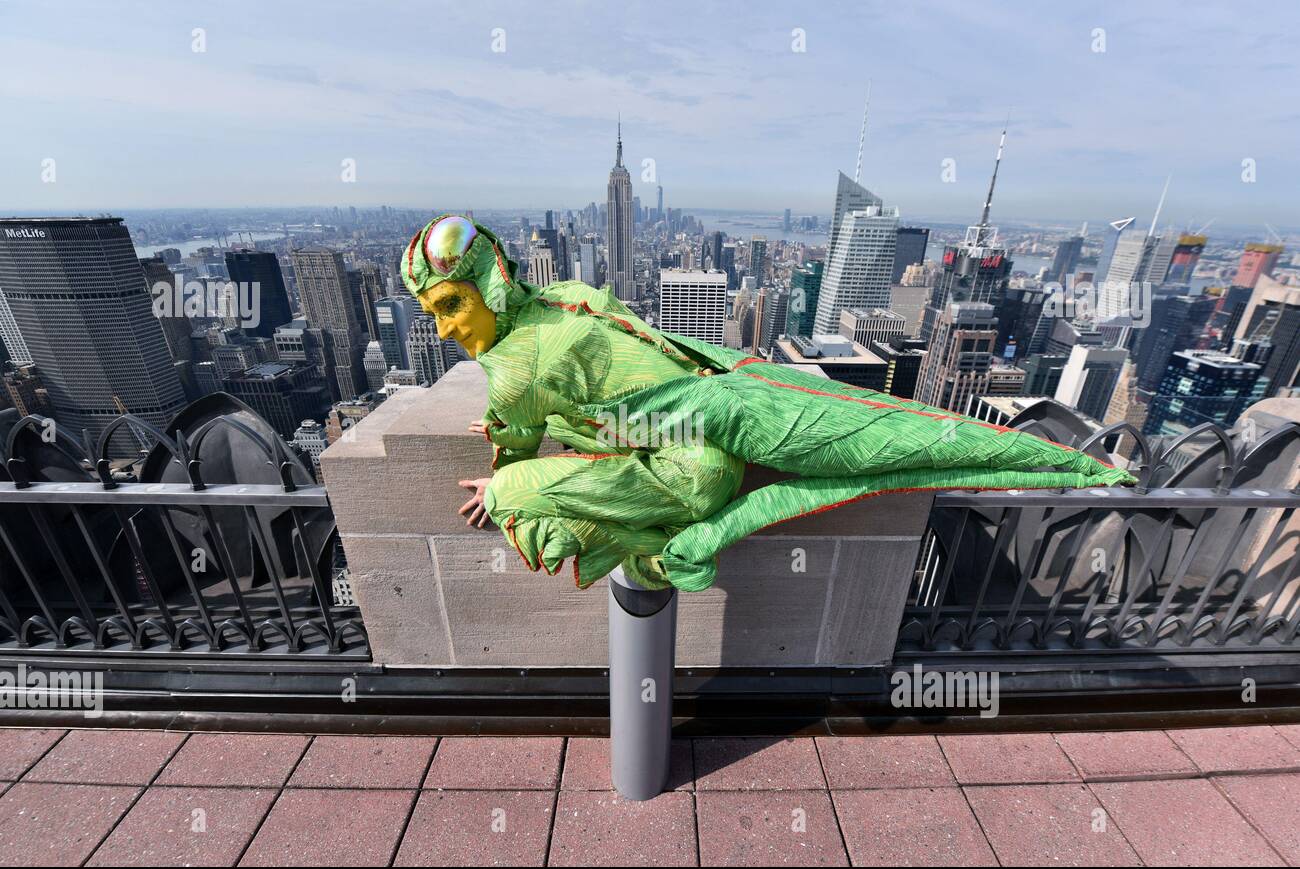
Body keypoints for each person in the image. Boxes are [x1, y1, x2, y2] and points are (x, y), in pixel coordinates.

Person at [403, 214, 1134, 592]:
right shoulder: (560, 298)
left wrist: (506, 463)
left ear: (488, 284)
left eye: (452, 305)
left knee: (514, 496)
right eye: (434, 314)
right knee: (887, 449)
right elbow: (622, 360)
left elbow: (519, 434)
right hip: (703, 434)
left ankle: (660, 557)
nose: (447, 328)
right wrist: (531, 417)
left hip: (690, 475)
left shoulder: (514, 367)